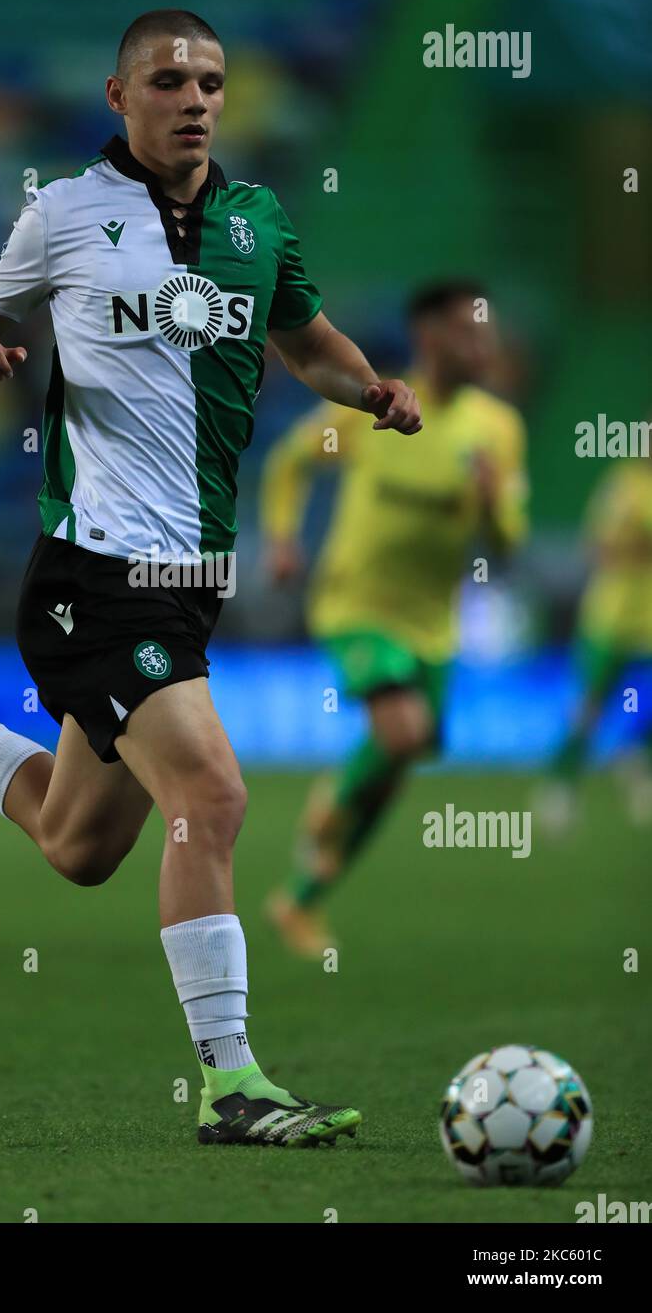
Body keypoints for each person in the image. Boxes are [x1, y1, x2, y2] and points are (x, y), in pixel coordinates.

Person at [0, 9, 421, 1147]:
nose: (194, 98)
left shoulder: (258, 223)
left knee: (79, 846)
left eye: (209, 80)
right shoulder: (63, 214)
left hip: (188, 584)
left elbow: (307, 343)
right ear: (120, 97)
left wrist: (373, 390)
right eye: (169, 80)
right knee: (213, 798)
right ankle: (232, 1083)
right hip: (93, 578)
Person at [262, 281, 527, 958]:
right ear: (431, 337)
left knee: (400, 760)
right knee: (401, 731)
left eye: (488, 331)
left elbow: (508, 545)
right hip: (355, 604)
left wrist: (496, 504)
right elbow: (289, 464)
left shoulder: (498, 429)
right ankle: (327, 808)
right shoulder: (371, 404)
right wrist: (284, 538)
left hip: (434, 625)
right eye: (472, 331)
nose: (486, 345)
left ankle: (299, 899)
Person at [536, 452, 652, 831]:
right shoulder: (625, 486)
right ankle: (561, 787)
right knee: (591, 705)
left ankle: (632, 760)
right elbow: (596, 547)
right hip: (613, 615)